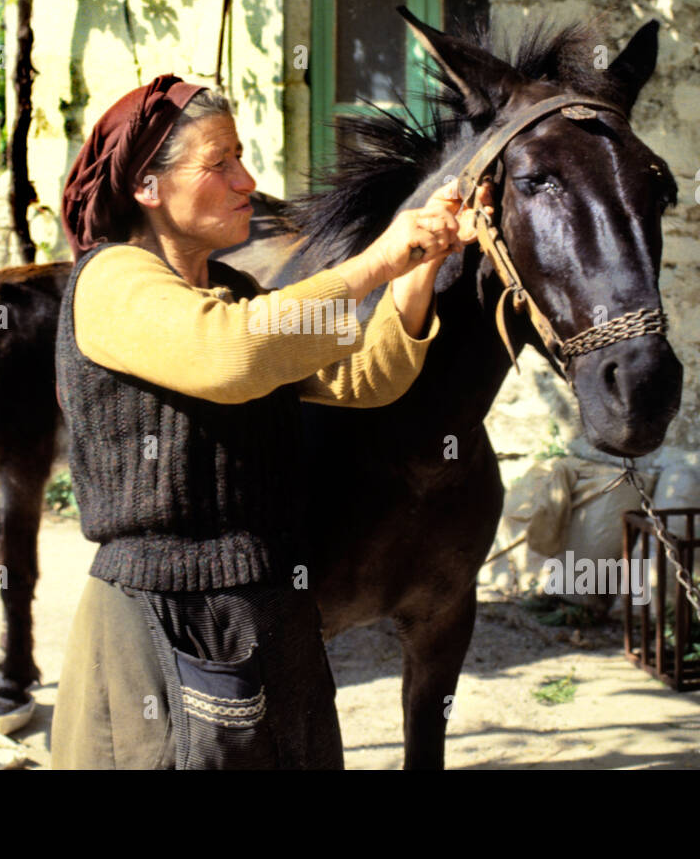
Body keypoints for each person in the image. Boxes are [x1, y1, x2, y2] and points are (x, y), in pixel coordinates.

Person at [50, 74, 486, 769]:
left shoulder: (237, 294)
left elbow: (367, 377)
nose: (247, 180)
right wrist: (375, 259)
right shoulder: (109, 283)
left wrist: (421, 262)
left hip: (270, 611)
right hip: (159, 623)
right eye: (217, 162)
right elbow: (231, 354)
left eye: (242, 157)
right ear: (145, 186)